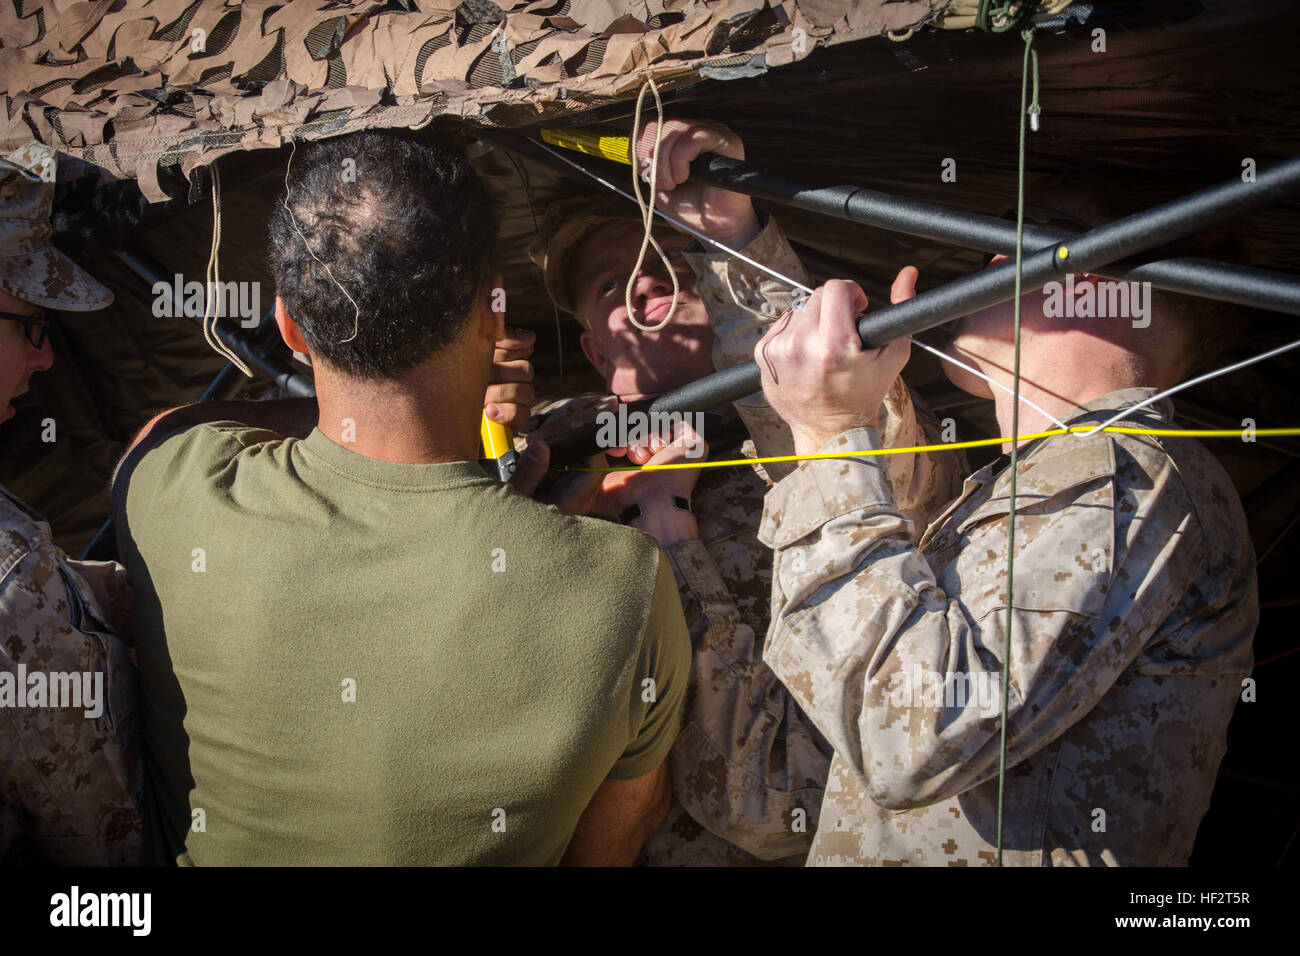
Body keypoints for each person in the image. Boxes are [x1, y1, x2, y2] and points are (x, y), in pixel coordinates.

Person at [111, 128, 691, 866]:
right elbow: (617, 837)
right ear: (496, 311)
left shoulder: (172, 486)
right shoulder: (627, 583)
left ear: (289, 324)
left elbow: (165, 430)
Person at [751, 195, 1258, 865]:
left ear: (1087, 282)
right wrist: (737, 235)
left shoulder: (1121, 472)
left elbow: (912, 738)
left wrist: (827, 437)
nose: (982, 268)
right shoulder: (1058, 474)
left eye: (1002, 249)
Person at [525, 119, 965, 864]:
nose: (652, 278)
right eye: (614, 283)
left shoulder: (804, 430)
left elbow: (883, 460)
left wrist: (735, 232)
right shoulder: (550, 461)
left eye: (671, 259)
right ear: (597, 349)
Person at [0, 142, 143, 865]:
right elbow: (106, 855)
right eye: (32, 323)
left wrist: (78, 593)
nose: (45, 357)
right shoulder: (14, 585)